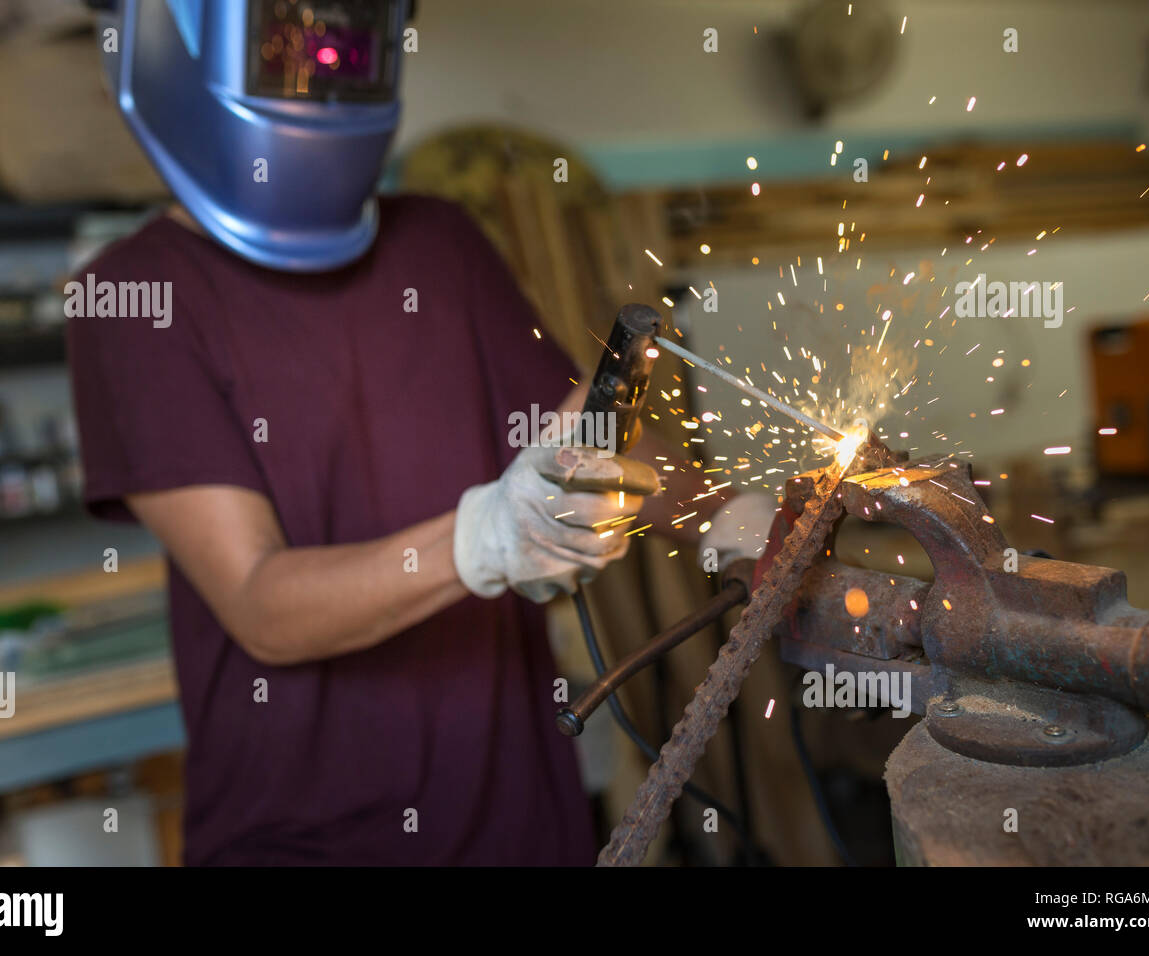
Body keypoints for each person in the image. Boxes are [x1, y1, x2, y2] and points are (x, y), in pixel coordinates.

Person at [68, 0, 773, 864]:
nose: (324, 56)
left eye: (342, 38)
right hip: (303, 840)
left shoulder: (439, 242)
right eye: (292, 37)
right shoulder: (133, 296)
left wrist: (742, 517)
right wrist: (485, 538)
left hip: (518, 821)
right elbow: (260, 603)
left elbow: (587, 439)